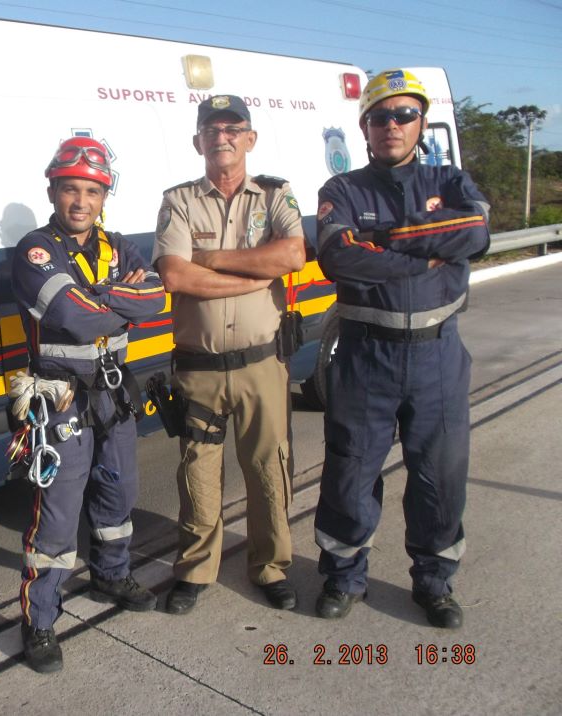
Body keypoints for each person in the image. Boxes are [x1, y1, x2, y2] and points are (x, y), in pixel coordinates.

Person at [313, 69, 490, 629]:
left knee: (440, 476)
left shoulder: (450, 179)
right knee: (350, 471)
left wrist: (385, 239)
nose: (392, 125)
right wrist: (428, 250)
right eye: (379, 117)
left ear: (421, 122)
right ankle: (344, 576)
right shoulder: (341, 190)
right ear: (364, 128)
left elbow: (475, 233)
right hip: (365, 357)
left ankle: (434, 582)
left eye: (404, 114)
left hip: (438, 356)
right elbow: (339, 257)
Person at [11, 137, 166, 673]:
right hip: (60, 397)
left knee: (118, 491)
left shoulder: (119, 246)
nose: (81, 201)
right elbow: (72, 316)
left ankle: (111, 575)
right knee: (57, 514)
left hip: (113, 394)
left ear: (104, 197)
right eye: (70, 189)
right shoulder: (35, 250)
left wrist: (103, 297)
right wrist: (119, 299)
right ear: (52, 192)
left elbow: (156, 297)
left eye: (92, 191)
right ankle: (39, 620)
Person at [153, 95, 306, 615]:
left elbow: (292, 254)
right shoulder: (178, 200)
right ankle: (196, 570)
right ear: (197, 141)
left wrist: (212, 259)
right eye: (211, 130)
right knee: (197, 473)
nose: (222, 137)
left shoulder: (275, 195)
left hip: (263, 364)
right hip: (199, 368)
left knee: (269, 470)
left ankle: (271, 567)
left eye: (233, 128)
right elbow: (176, 275)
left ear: (250, 139)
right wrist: (255, 275)